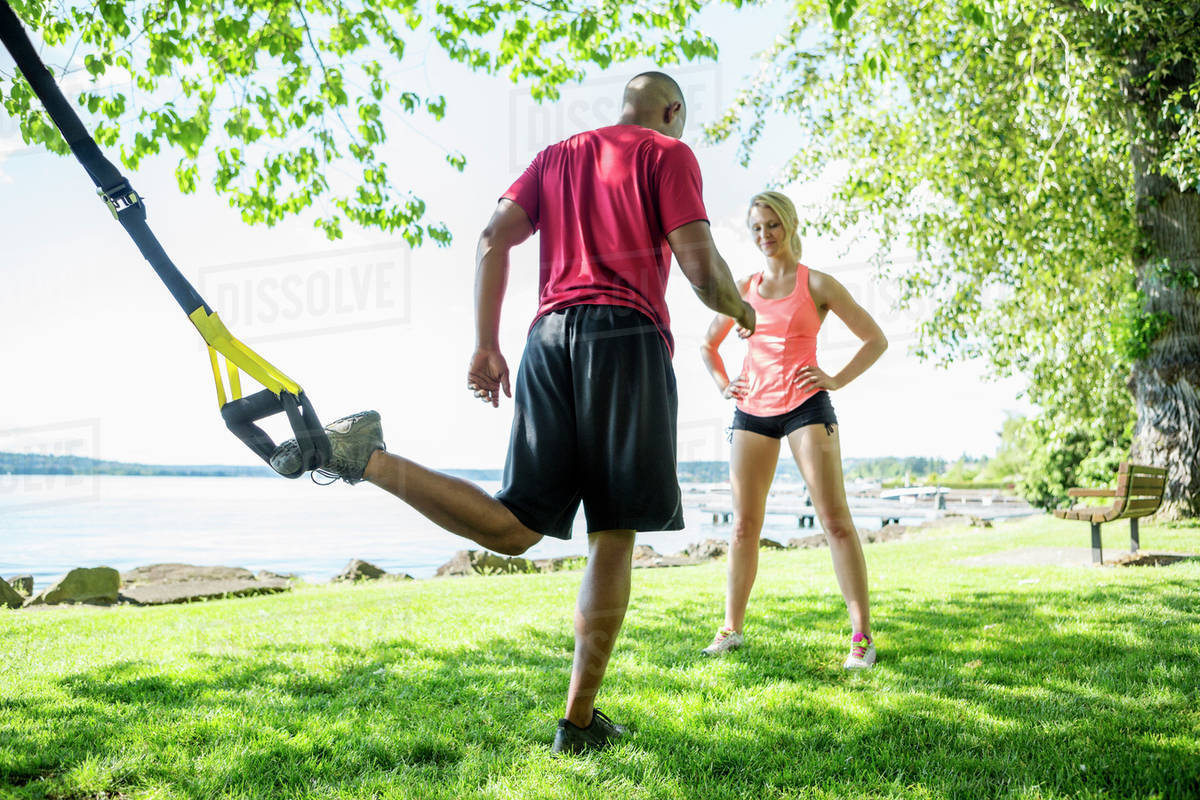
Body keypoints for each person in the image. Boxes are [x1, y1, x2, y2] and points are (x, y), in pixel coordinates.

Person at [270, 72, 755, 753]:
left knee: (517, 525)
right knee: (612, 533)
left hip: (548, 340)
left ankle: (365, 457)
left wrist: (485, 342)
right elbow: (701, 269)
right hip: (625, 338)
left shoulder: (554, 157)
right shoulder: (666, 153)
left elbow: (493, 238)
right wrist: (741, 310)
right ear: (671, 111)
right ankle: (578, 726)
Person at [697, 190, 887, 668]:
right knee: (743, 526)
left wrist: (836, 379)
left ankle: (861, 638)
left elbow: (874, 339)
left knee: (836, 521)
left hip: (806, 406)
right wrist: (726, 385)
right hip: (753, 412)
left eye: (773, 225)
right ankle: (730, 629)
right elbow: (707, 345)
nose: (765, 235)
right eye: (757, 228)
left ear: (790, 224)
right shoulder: (743, 288)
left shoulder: (817, 283)